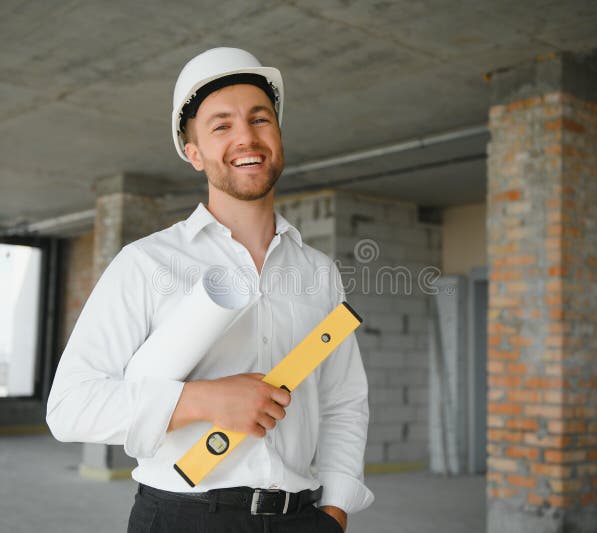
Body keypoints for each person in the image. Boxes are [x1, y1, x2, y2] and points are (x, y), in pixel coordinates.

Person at [46, 47, 373, 533]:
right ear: (193, 153)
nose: (247, 137)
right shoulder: (147, 262)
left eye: (260, 119)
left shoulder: (318, 271)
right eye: (221, 125)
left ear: (278, 135)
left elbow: (345, 401)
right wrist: (203, 401)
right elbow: (70, 407)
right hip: (183, 517)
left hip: (301, 517)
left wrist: (336, 511)